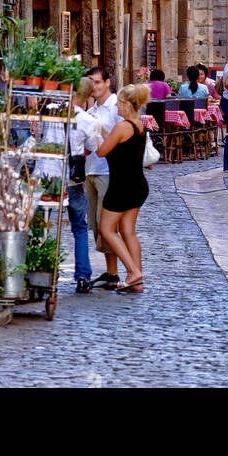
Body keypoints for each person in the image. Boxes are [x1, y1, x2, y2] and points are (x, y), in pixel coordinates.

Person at [94, 83, 151, 292]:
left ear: (126, 104)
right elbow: (118, 143)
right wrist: (103, 130)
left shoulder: (122, 127)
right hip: (137, 185)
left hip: (121, 187)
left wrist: (95, 132)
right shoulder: (138, 125)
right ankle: (137, 281)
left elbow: (101, 151)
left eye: (118, 103)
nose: (116, 106)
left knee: (106, 229)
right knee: (128, 231)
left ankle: (133, 271)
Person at [86, 65, 121, 289]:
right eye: (91, 82)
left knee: (108, 225)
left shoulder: (116, 107)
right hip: (91, 170)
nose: (94, 87)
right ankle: (110, 272)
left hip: (109, 171)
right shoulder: (91, 111)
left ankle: (117, 271)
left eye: (97, 82)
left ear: (107, 82)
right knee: (97, 225)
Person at [66, 79, 99, 293]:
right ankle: (82, 275)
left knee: (40, 224)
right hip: (73, 177)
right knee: (79, 227)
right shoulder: (86, 119)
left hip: (47, 174)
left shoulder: (50, 110)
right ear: (88, 97)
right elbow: (91, 148)